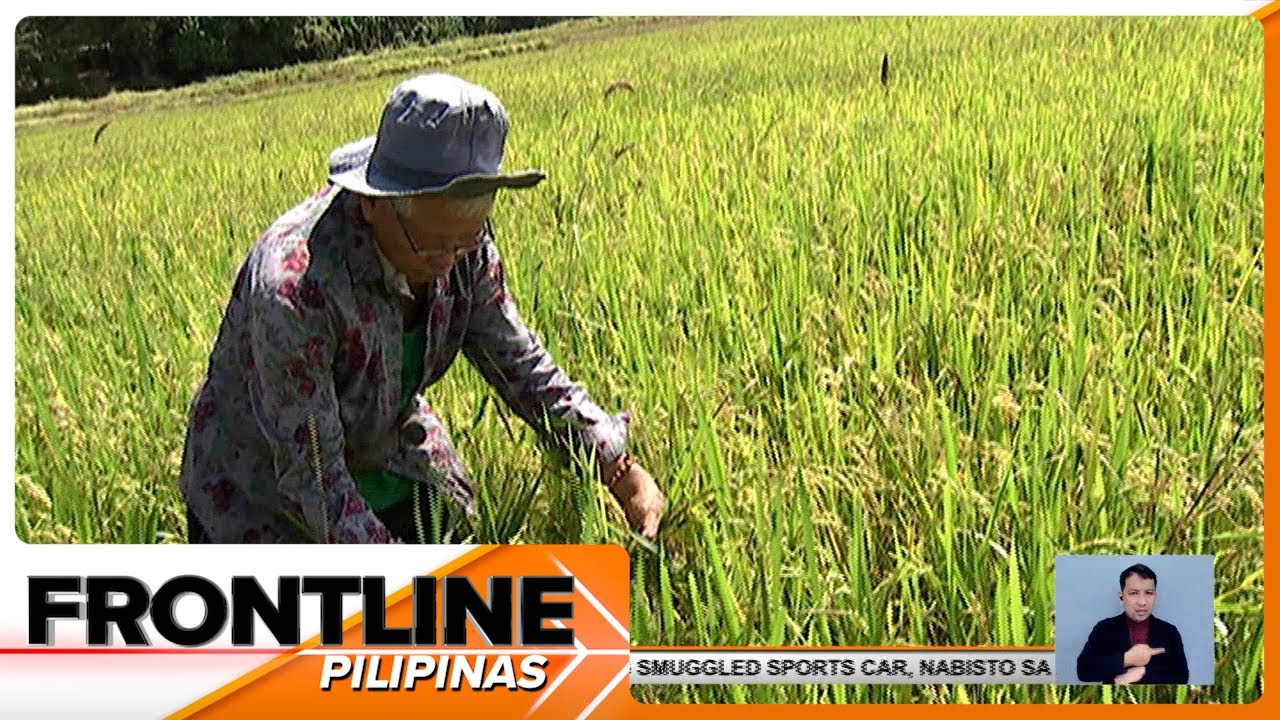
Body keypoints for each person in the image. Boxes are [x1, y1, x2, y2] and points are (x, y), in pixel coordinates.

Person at [179, 72, 666, 544]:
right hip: (265, 490)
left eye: (467, 239)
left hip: (388, 448)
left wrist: (618, 469)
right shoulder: (295, 291)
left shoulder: (458, 245)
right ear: (373, 204)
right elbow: (314, 480)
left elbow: (520, 366)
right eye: (432, 246)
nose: (450, 263)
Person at [1076, 563, 1190, 685]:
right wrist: (1127, 659)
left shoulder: (1169, 632)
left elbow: (1181, 676)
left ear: (1155, 596)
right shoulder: (1104, 628)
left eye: (1149, 593)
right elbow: (1083, 670)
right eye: (1133, 593)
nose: (1142, 602)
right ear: (1121, 598)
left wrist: (1142, 672)